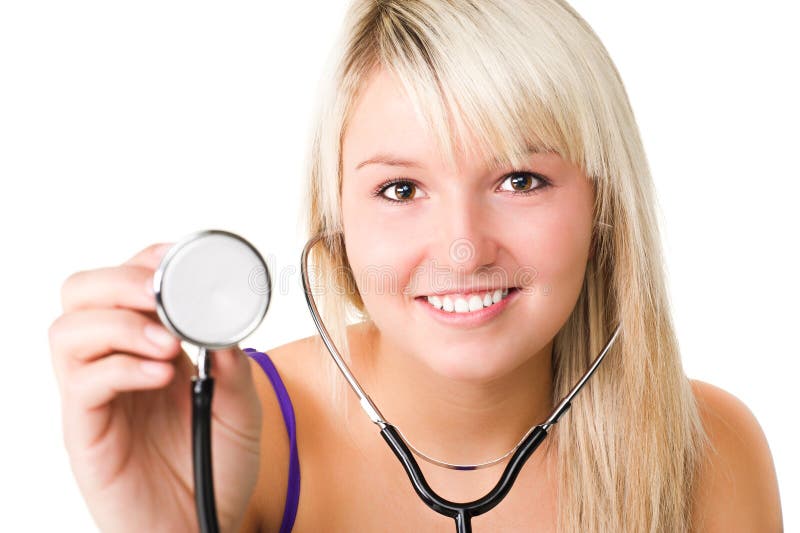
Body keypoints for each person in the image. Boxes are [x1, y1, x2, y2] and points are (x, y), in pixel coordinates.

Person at [48, 0, 783, 531]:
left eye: (520, 179)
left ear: (604, 203)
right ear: (335, 221)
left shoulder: (709, 449)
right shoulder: (238, 437)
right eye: (400, 189)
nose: (462, 245)